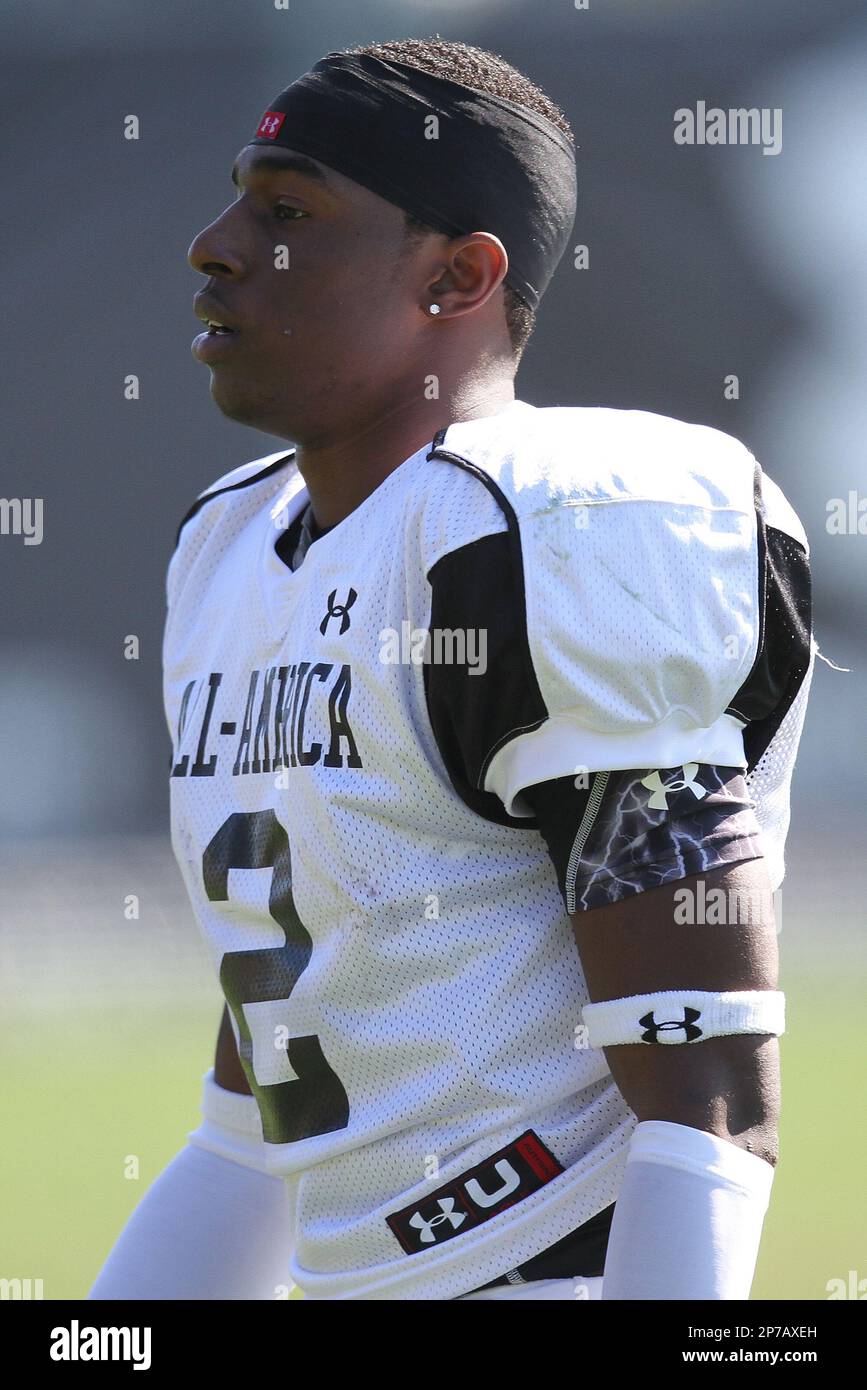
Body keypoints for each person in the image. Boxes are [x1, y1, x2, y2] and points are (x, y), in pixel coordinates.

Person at [89, 37, 814, 1302]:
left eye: (288, 211)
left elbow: (707, 1100)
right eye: (234, 197)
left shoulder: (558, 526)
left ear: (458, 274)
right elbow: (254, 1117)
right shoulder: (232, 546)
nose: (212, 245)